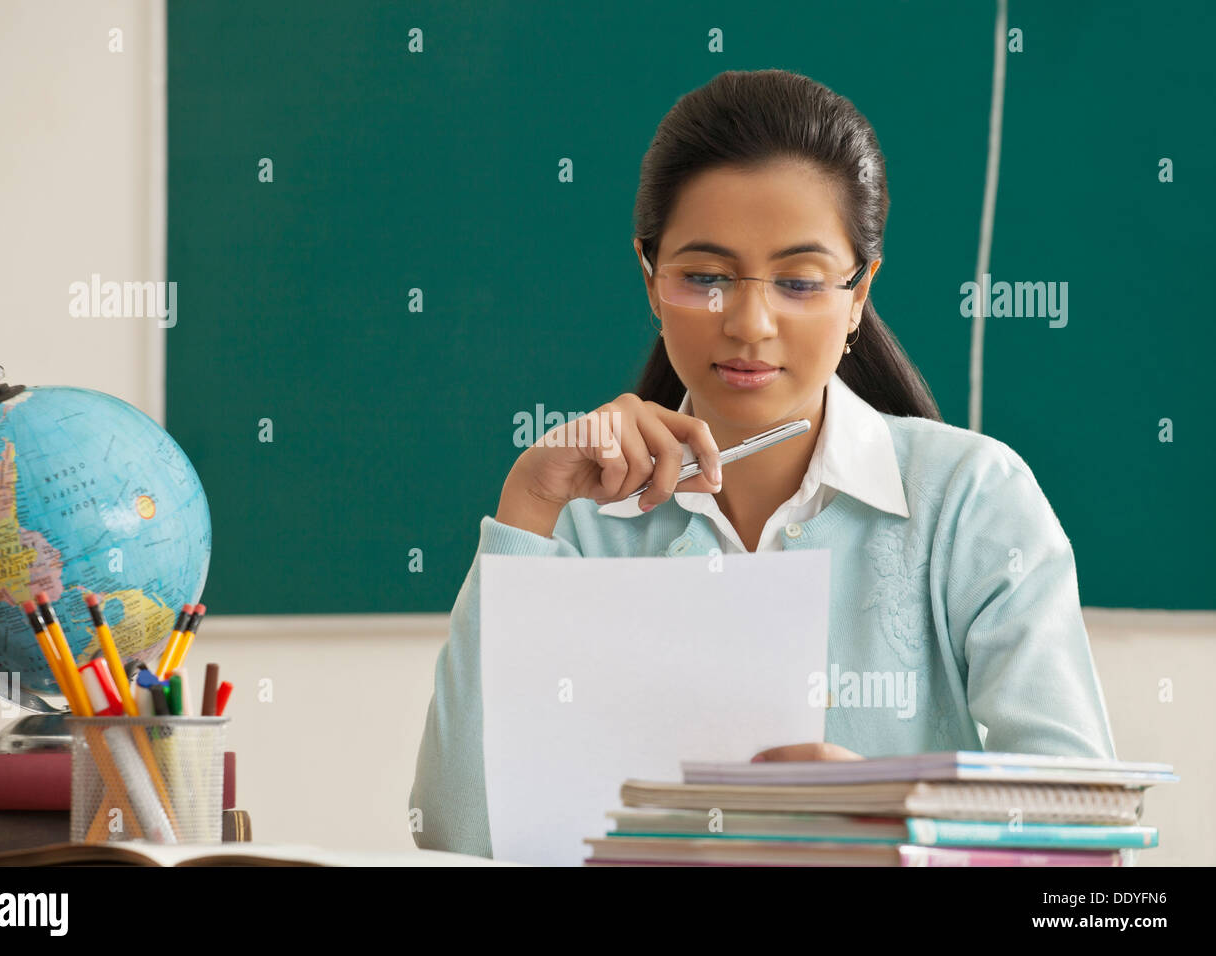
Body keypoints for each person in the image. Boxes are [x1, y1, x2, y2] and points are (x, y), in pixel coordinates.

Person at [409, 69, 1116, 859]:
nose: (748, 323)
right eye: (704, 277)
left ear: (858, 294)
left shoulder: (971, 499)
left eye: (799, 281)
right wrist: (524, 512)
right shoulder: (576, 518)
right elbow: (459, 840)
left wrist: (899, 829)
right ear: (651, 279)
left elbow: (1085, 846)